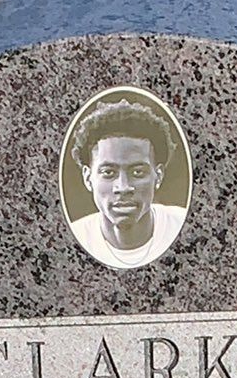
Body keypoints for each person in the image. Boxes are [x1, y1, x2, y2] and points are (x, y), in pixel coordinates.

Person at [66, 96, 188, 270]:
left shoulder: (182, 226)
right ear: (88, 177)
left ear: (158, 175)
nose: (123, 187)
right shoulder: (74, 239)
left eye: (138, 172)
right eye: (108, 173)